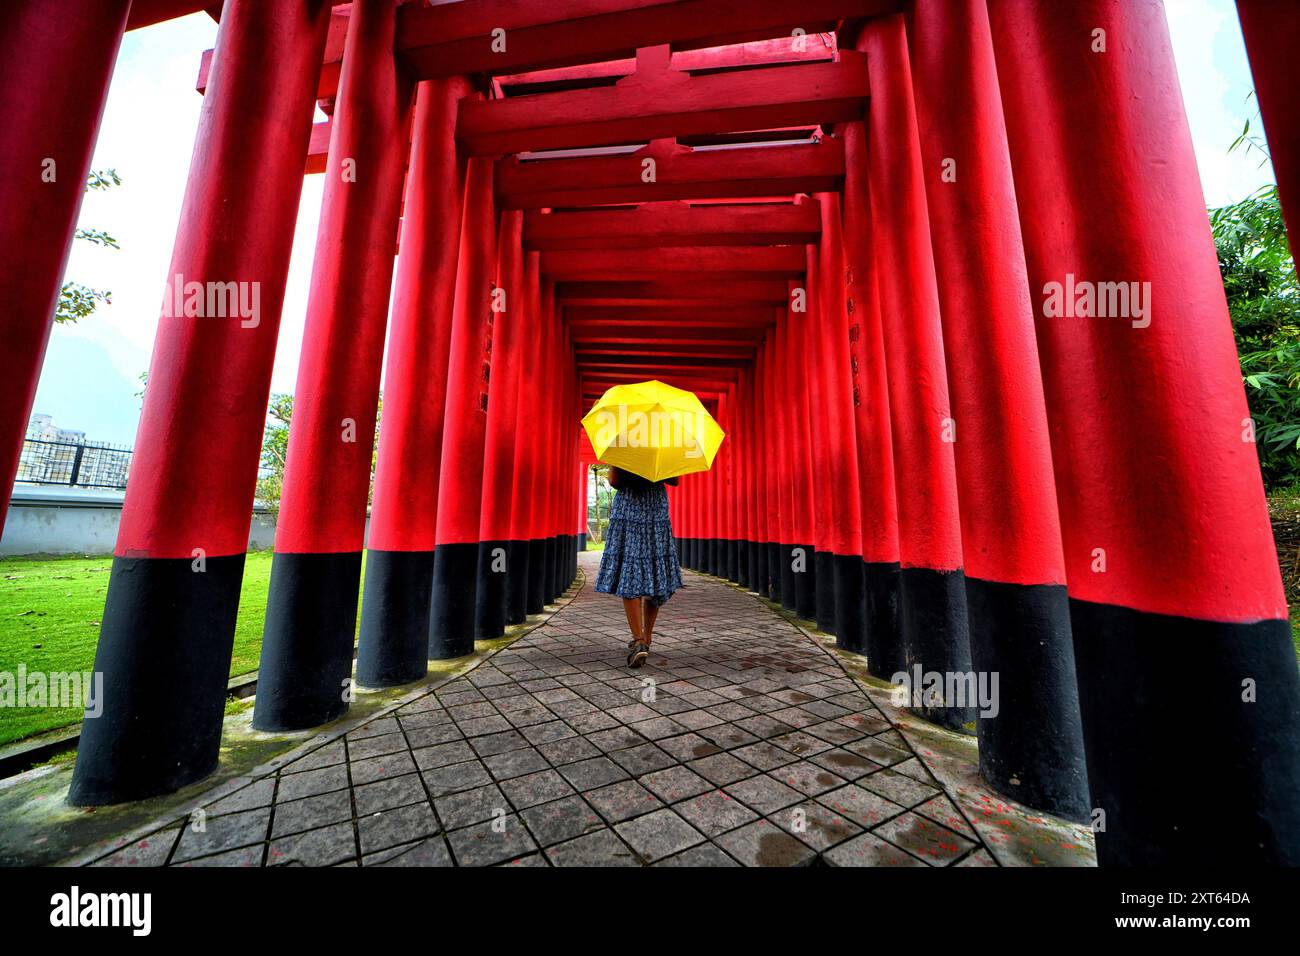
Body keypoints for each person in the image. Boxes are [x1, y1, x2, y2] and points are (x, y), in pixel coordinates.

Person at [594, 466, 683, 668]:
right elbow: (675, 481)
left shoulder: (623, 441)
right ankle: (647, 637)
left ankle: (638, 639)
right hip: (656, 508)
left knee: (630, 568)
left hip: (629, 507)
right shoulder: (665, 442)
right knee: (654, 569)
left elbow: (615, 481)